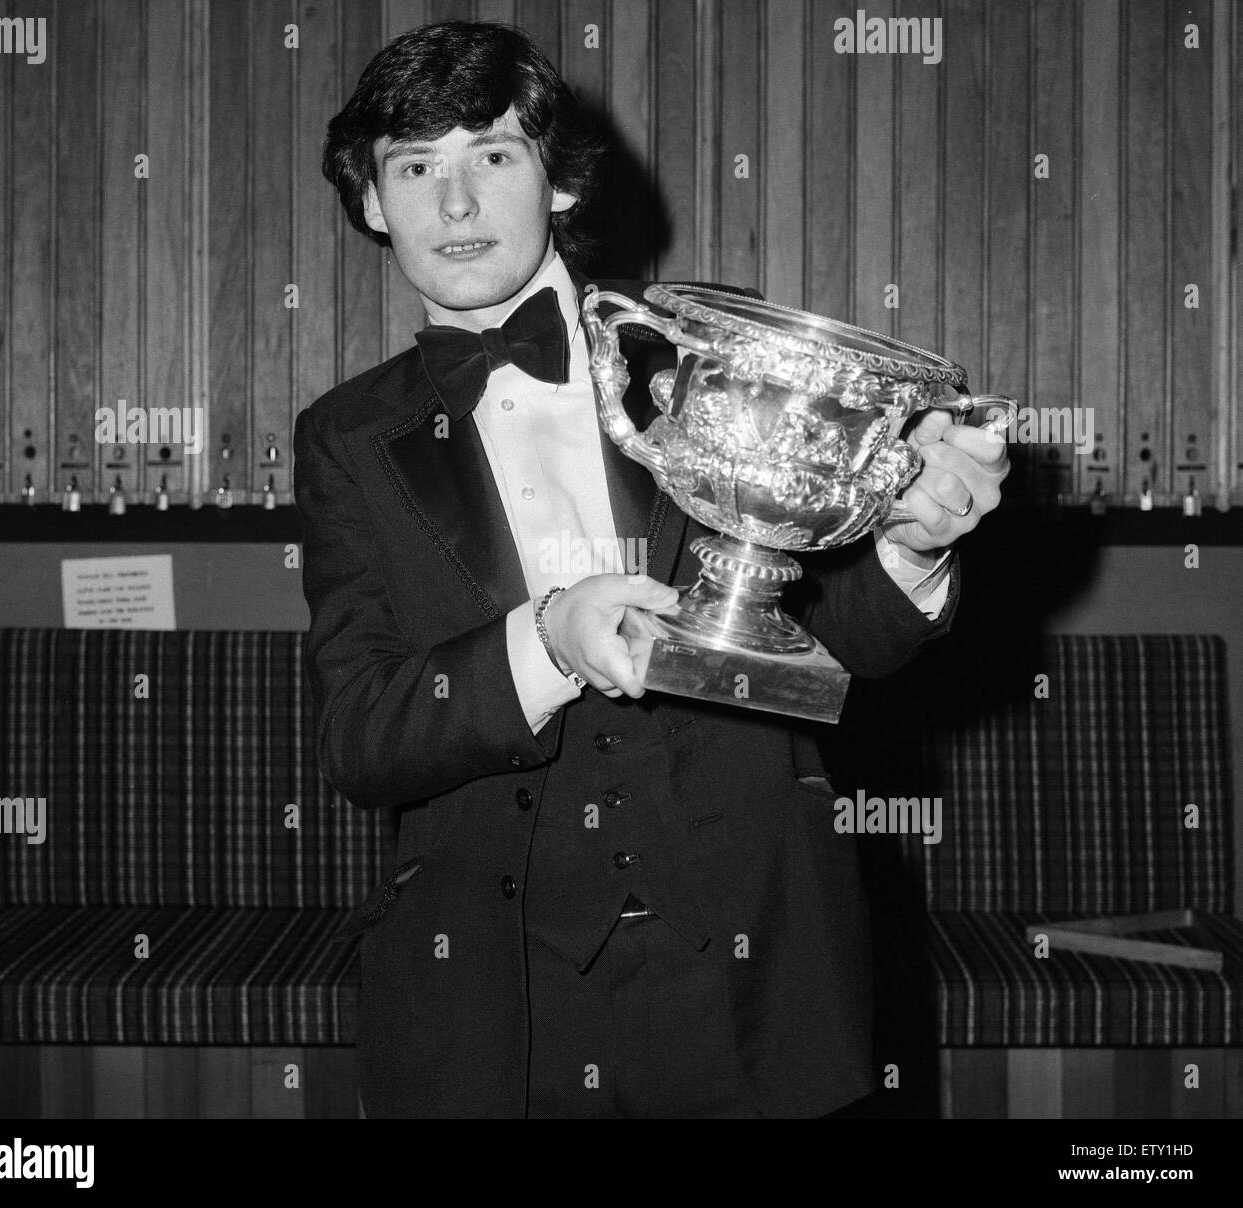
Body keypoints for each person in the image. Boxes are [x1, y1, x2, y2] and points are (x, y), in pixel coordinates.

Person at [295, 19, 1009, 1119]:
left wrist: (912, 542)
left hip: (753, 974)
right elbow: (360, 737)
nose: (454, 204)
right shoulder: (344, 438)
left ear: (560, 181)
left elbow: (827, 647)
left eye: (491, 155)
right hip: (493, 1000)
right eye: (414, 166)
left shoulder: (704, 364)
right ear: (372, 202)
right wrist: (545, 641)